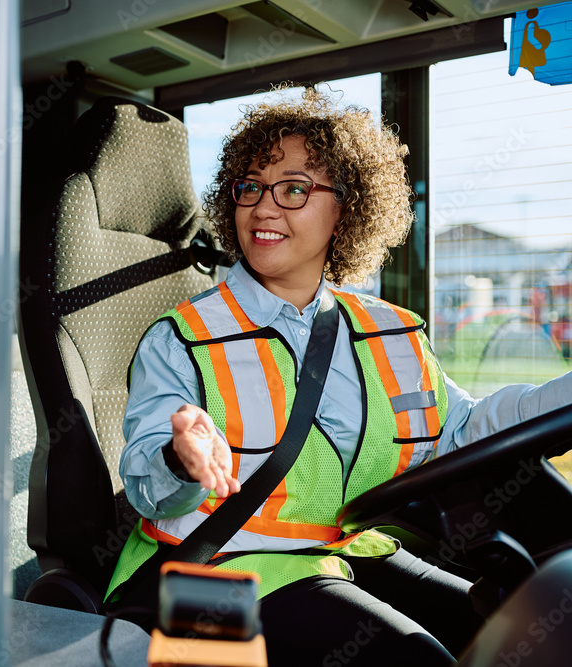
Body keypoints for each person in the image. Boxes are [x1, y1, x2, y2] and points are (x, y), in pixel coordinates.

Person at [106, 87, 572, 666]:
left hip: (345, 554)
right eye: (249, 186)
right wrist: (181, 457)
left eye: (295, 189)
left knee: (518, 629)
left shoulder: (392, 334)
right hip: (203, 574)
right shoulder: (183, 337)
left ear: (347, 209)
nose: (263, 207)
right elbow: (149, 488)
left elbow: (465, 429)